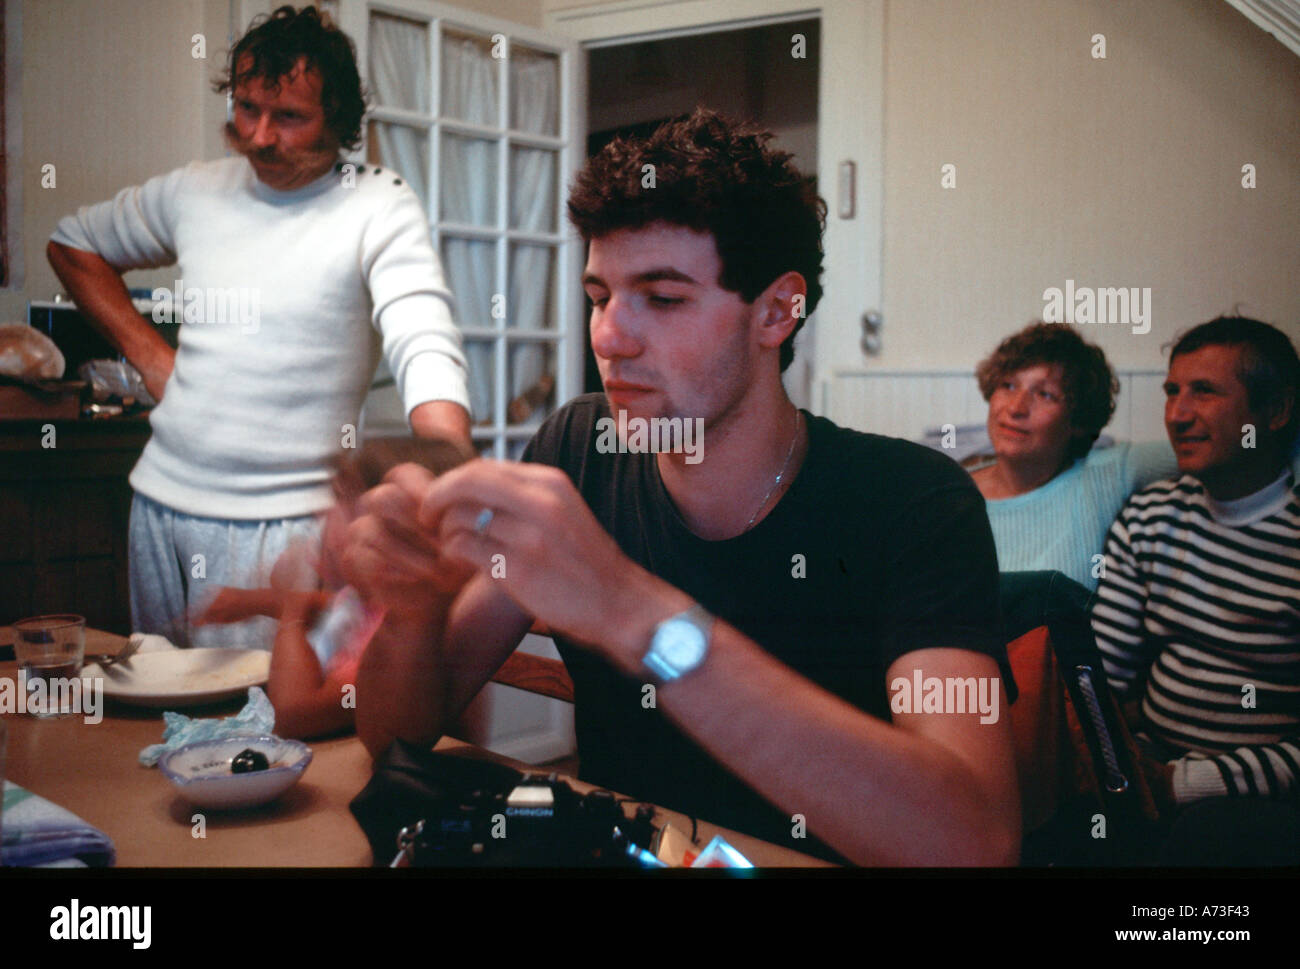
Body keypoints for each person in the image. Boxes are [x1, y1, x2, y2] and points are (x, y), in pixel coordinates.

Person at [343, 109, 1021, 866]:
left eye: (662, 299)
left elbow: (975, 838)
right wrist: (410, 609)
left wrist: (632, 610)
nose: (608, 336)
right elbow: (396, 734)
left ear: (775, 311)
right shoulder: (579, 447)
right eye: (600, 296)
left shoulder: (912, 501)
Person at [45, 6, 472, 651]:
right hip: (160, 506)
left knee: (268, 740)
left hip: (288, 527)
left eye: (291, 117)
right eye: (248, 109)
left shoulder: (378, 204)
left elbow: (424, 340)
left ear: (340, 121)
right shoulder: (194, 191)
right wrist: (153, 359)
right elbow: (73, 244)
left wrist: (443, 461)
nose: (262, 136)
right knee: (163, 729)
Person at [1091, 316, 1300, 864]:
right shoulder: (1150, 515)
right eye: (1171, 392)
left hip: (1260, 796)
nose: (1177, 416)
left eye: (1203, 392)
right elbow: (1101, 674)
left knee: (1207, 839)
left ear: (1275, 412)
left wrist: (1186, 784)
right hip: (1149, 766)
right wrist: (1116, 763)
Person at [194, 438, 474, 739]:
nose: (321, 515)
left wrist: (291, 613)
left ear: (390, 529)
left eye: (342, 503)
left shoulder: (393, 627)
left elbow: (293, 714)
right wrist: (252, 602)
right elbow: (330, 603)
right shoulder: (364, 600)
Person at [970, 322, 1178, 590]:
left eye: (1045, 394)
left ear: (1078, 420)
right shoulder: (948, 491)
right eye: (1008, 386)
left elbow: (1225, 445)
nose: (1016, 408)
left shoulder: (1107, 474)